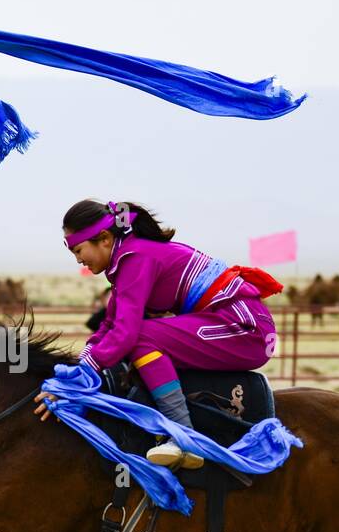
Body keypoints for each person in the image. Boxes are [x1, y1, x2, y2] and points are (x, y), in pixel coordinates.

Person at [35, 199, 282, 470]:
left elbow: (126, 334)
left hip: (246, 329)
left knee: (141, 337)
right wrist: (78, 369)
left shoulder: (135, 258)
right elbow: (108, 326)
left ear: (104, 239)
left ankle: (182, 436)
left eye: (79, 250)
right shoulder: (125, 260)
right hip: (234, 323)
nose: (78, 259)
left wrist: (80, 380)